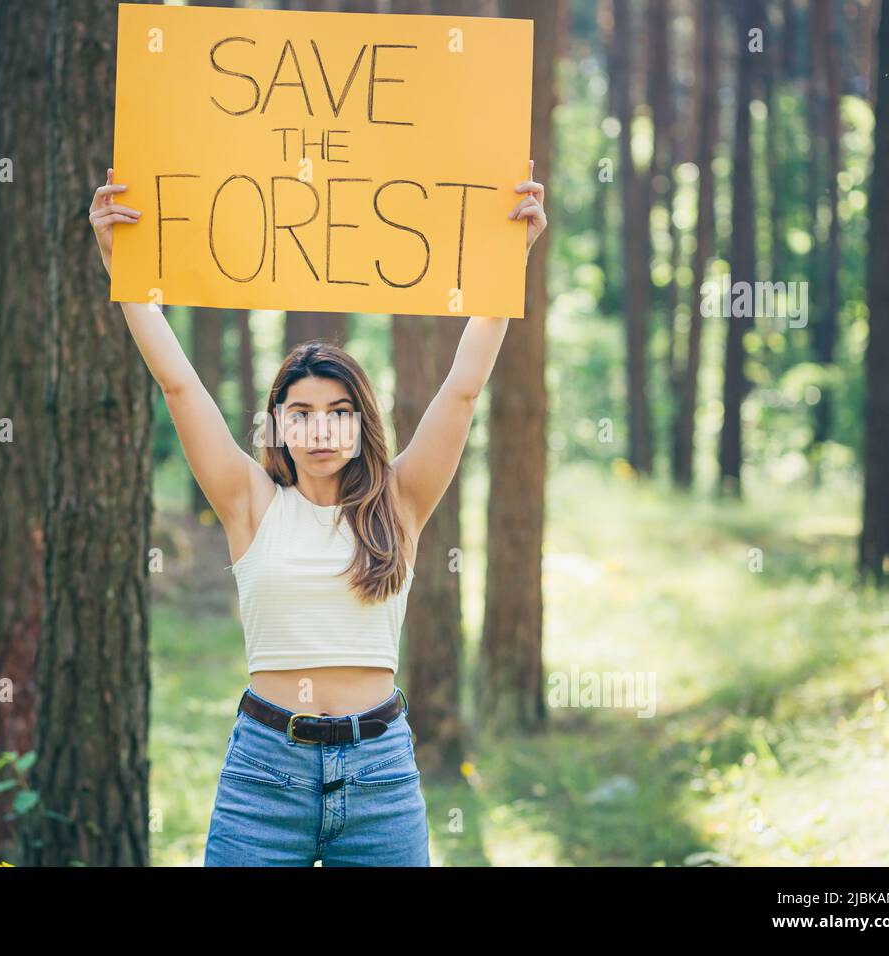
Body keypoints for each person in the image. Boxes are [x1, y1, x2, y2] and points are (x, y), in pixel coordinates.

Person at [89, 161, 547, 866]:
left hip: (381, 774)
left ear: (363, 424)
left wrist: (506, 262)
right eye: (300, 413)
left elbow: (460, 393)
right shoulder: (250, 504)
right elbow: (179, 386)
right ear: (276, 427)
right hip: (266, 773)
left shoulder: (400, 502)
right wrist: (126, 278)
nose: (321, 429)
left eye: (340, 413)